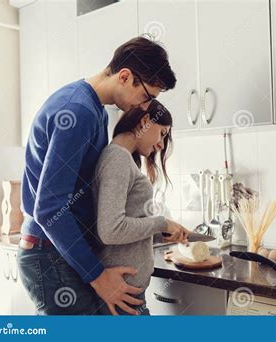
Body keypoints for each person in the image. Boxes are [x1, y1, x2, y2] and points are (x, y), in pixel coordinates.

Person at [17, 37, 183, 315]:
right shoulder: (78, 111)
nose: (145, 108)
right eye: (147, 97)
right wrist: (98, 276)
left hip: (57, 250)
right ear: (125, 76)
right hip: (49, 253)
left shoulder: (94, 110)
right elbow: (49, 209)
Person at [93, 100, 189, 315]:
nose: (161, 145)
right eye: (162, 133)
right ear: (145, 121)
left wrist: (161, 234)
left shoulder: (121, 158)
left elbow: (125, 226)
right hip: (123, 297)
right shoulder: (117, 158)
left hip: (129, 294)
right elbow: (111, 230)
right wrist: (161, 223)